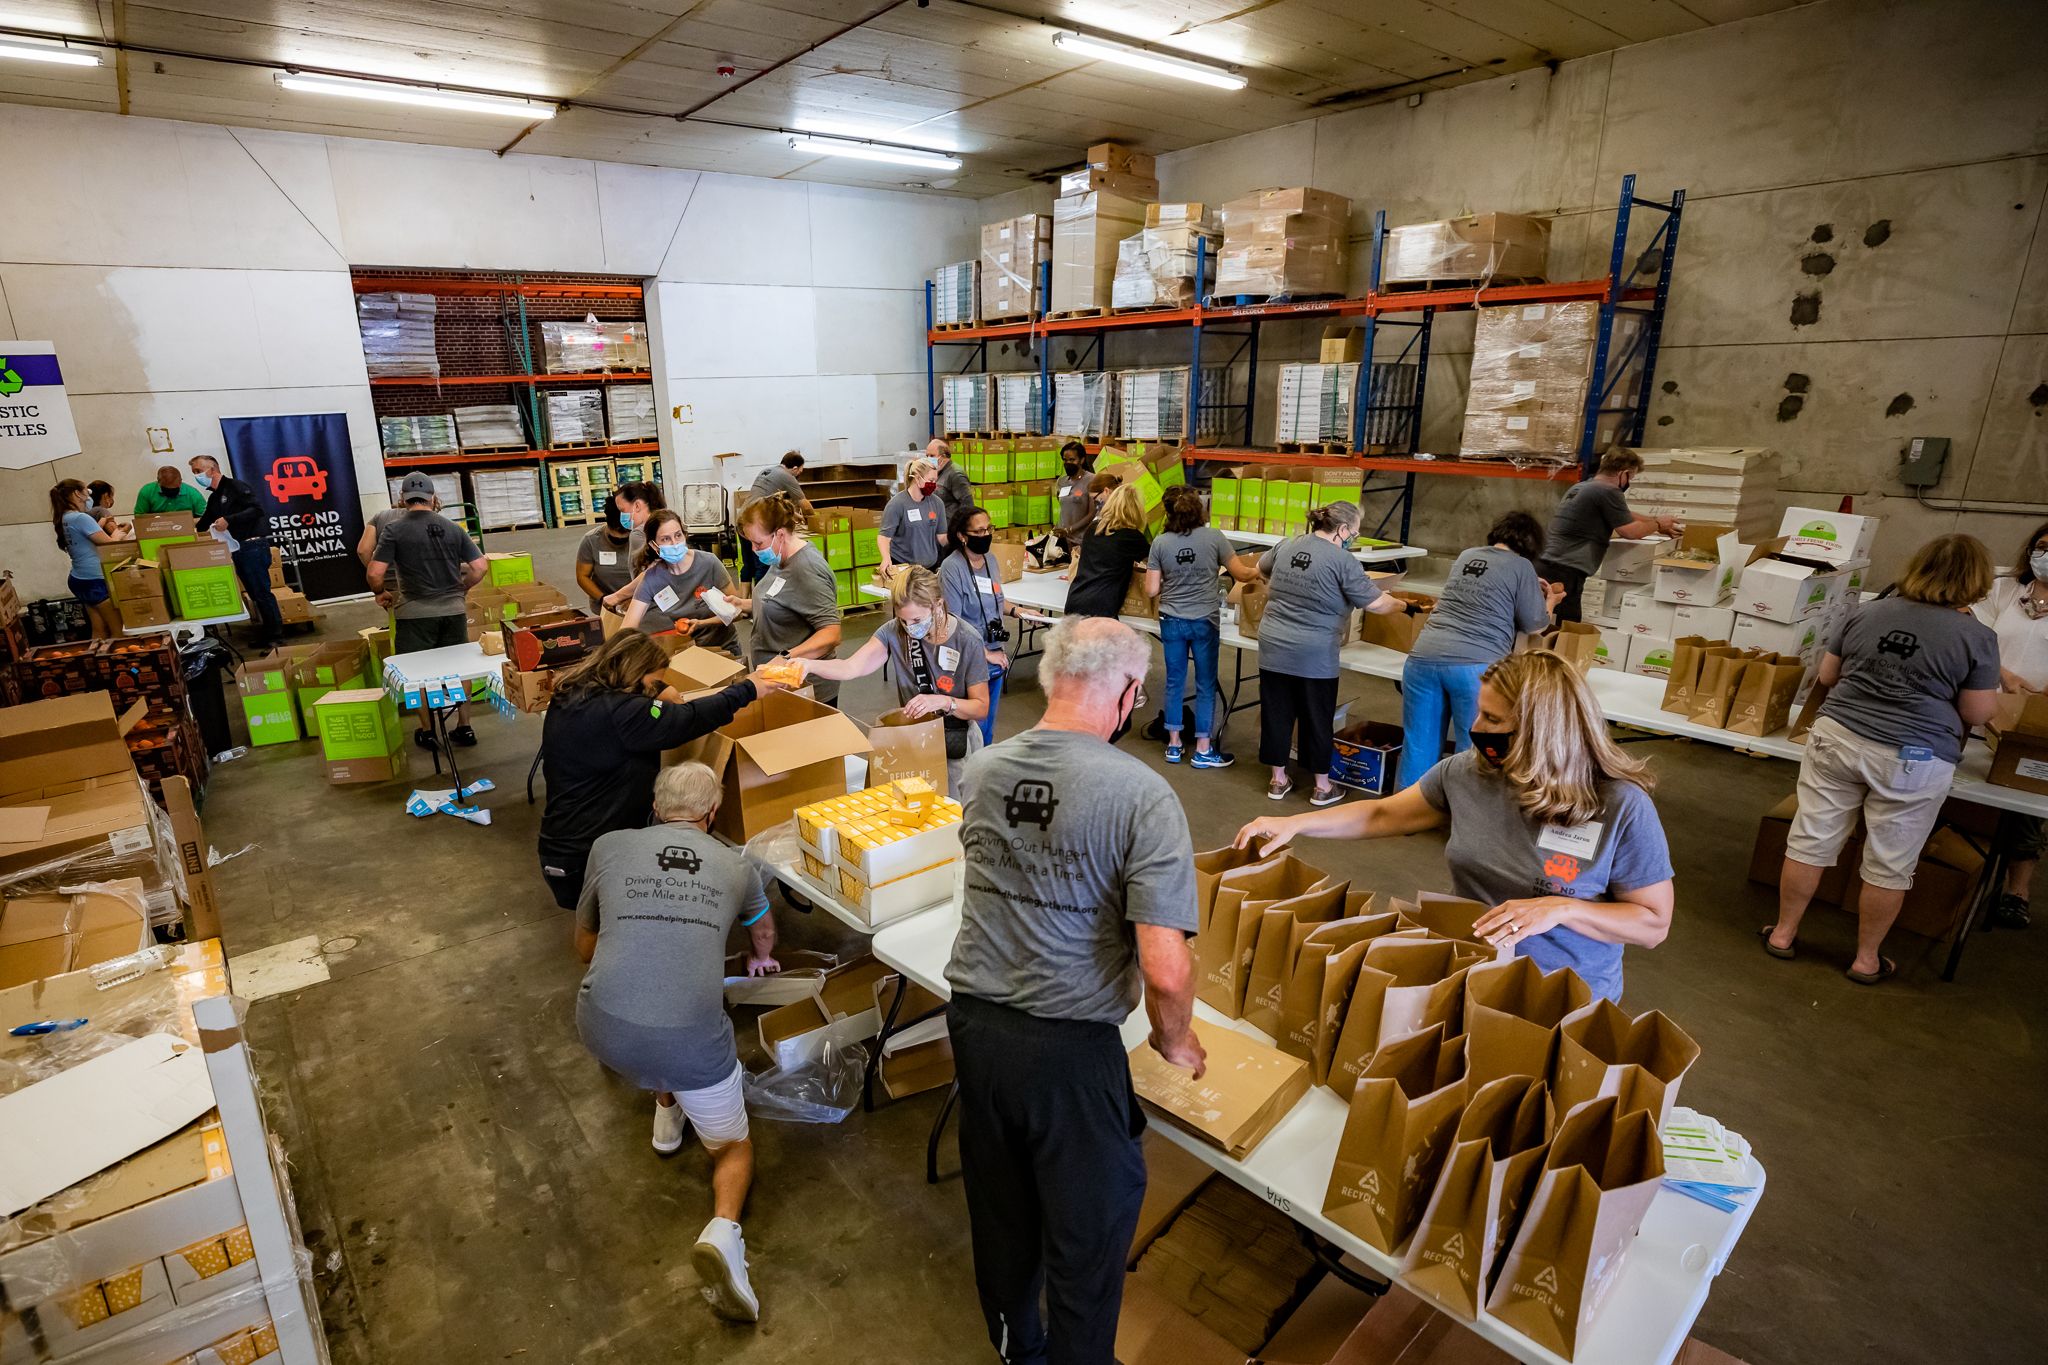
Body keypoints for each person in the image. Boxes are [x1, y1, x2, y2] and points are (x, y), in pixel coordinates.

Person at [945, 616, 1204, 1364]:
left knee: (1002, 1213)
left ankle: (1015, 1344)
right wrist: (1175, 1039)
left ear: (1052, 677)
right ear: (1128, 693)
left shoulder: (986, 767)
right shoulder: (1142, 795)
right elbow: (1164, 964)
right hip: (1068, 1051)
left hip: (975, 1028)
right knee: (1088, 1233)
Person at [1237, 650, 1674, 1002]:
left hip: (1563, 997)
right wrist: (1295, 823)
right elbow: (1382, 813)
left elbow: (1653, 924)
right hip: (1467, 969)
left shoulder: (1621, 806)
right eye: (1480, 713)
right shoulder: (1470, 772)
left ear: (1543, 731)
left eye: (1493, 720)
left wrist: (1564, 908)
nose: (1474, 728)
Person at [572, 761, 776, 1322]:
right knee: (734, 1146)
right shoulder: (739, 867)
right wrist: (760, 959)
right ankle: (724, 1232)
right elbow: (762, 930)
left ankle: (667, 1114)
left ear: (657, 807)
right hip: (688, 1045)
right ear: (711, 815)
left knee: (648, 1007)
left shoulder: (609, 846)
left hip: (600, 1028)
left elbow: (585, 949)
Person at [1763, 534, 2001, 983]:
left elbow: (1829, 675)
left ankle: (1783, 933)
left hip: (1837, 737)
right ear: (1977, 581)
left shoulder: (1867, 612)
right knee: (1890, 864)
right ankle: (1866, 959)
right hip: (1914, 758)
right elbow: (1977, 712)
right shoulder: (1977, 637)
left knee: (1810, 839)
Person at [539, 631, 773, 911]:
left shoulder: (573, 693)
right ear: (635, 672)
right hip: (587, 856)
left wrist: (656, 688)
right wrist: (746, 689)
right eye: (651, 681)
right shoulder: (624, 714)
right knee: (614, 932)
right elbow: (689, 719)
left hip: (563, 844)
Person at [1256, 501, 1410, 806]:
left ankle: (1277, 780)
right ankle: (1322, 787)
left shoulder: (1287, 545)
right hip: (1314, 653)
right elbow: (1376, 604)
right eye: (1355, 530)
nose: (1355, 535)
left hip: (1273, 644)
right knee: (1317, 716)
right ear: (1342, 530)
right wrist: (1403, 605)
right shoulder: (1343, 561)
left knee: (1276, 713)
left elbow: (1260, 570)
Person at [1398, 511, 1564, 788]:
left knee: (1418, 741)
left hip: (1423, 657)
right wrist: (1551, 602)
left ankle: (1407, 813)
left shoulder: (1466, 555)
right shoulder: (1521, 566)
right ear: (1532, 543)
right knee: (1473, 745)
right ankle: (1465, 815)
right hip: (1474, 666)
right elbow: (1535, 625)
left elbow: (1480, 588)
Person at [799, 567, 989, 793]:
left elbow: (980, 707)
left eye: (917, 619)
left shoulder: (967, 640)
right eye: (903, 620)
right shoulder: (893, 632)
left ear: (938, 605)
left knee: (954, 817)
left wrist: (943, 702)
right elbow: (851, 667)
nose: (910, 628)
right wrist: (808, 664)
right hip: (913, 738)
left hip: (956, 745)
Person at [367, 472, 490, 748]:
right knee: (460, 670)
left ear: (402, 499)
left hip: (414, 614)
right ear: (433, 498)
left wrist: (380, 593)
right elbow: (480, 566)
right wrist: (461, 589)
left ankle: (427, 731)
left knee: (416, 673)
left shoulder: (394, 530)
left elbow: (374, 572)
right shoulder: (453, 527)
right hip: (453, 611)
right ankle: (465, 726)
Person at [1145, 485, 1259, 766]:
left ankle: (1173, 745)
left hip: (1172, 619)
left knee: (1174, 681)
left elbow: (1150, 590)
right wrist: (1265, 568)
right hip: (1204, 620)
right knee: (1206, 683)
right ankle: (1203, 750)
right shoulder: (1214, 538)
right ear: (1200, 509)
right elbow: (1242, 574)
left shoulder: (1160, 543)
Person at [1974, 521, 2048, 928]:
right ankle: (1957, 866)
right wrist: (2001, 673)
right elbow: (1973, 633)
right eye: (2041, 546)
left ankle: (2016, 891)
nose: (2045, 555)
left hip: (2038, 723)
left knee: (2027, 804)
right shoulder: (2005, 589)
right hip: (1985, 705)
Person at [729, 493, 843, 704]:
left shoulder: (807, 569)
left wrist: (786, 657)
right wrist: (744, 604)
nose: (754, 550)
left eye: (758, 543)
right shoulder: (780, 558)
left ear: (779, 535)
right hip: (779, 682)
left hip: (806, 688)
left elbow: (831, 634)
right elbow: (783, 601)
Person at [1539, 449, 1677, 622]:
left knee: (1547, 620)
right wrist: (1658, 524)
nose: (1629, 483)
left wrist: (1654, 521)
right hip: (1566, 570)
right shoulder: (1609, 491)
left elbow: (1624, 514)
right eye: (1631, 477)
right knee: (1565, 627)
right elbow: (1629, 531)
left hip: (1549, 564)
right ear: (1623, 473)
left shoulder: (1582, 487)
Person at [941, 505, 1018, 745]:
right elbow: (953, 622)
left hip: (994, 653)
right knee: (974, 725)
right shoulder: (952, 568)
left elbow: (996, 598)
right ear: (963, 536)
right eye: (979, 531)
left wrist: (1017, 610)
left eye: (989, 529)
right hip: (970, 657)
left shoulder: (990, 560)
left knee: (988, 724)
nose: (986, 535)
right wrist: (985, 653)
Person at [190, 454, 284, 647]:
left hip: (252, 546)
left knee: (261, 592)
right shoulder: (215, 498)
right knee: (254, 593)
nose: (197, 476)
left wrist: (229, 520)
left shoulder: (236, 487)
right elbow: (203, 523)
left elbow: (257, 510)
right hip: (238, 549)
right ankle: (267, 633)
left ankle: (275, 637)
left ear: (212, 470)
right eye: (194, 473)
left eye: (198, 471)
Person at [617, 509, 738, 652]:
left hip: (724, 647)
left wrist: (702, 623)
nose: (675, 543)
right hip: (688, 651)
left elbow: (737, 610)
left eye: (678, 535)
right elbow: (627, 629)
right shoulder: (652, 579)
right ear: (654, 545)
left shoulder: (709, 563)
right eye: (665, 539)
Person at [49, 479, 122, 637]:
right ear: (77, 494)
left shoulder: (64, 518)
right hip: (95, 580)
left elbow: (83, 538)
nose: (89, 498)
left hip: (79, 578)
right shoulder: (80, 518)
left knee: (99, 630)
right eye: (86, 493)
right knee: (118, 631)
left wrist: (100, 525)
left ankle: (95, 660)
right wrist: (120, 532)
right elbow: (109, 545)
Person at [1065, 483, 1150, 619]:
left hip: (1076, 599)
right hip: (1102, 607)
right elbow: (1154, 563)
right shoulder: (1131, 537)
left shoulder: (1093, 529)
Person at [878, 458, 944, 574]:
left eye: (935, 481)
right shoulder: (897, 504)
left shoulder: (937, 503)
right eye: (931, 480)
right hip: (904, 568)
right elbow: (884, 537)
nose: (934, 485)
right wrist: (886, 558)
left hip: (930, 568)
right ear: (917, 478)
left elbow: (942, 536)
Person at [573, 501, 636, 613]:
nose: (619, 543)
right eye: (615, 539)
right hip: (605, 605)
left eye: (624, 539)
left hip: (637, 602)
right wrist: (605, 600)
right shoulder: (591, 541)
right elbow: (582, 576)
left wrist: (637, 599)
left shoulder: (641, 539)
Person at [928, 437, 975, 533]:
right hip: (938, 529)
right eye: (927, 455)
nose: (928, 459)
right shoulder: (937, 473)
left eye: (932, 455)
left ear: (943, 456)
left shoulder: (955, 474)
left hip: (950, 531)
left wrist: (957, 530)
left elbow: (967, 506)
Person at [748, 451, 813, 514]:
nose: (798, 475)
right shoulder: (787, 476)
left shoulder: (765, 471)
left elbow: (777, 505)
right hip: (756, 519)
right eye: (800, 472)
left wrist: (797, 516)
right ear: (795, 469)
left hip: (744, 516)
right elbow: (806, 507)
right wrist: (816, 518)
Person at [133, 465, 206, 518]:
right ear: (158, 482)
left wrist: (187, 522)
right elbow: (139, 517)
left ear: (180, 481)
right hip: (156, 529)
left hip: (186, 529)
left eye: (174, 488)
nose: (171, 492)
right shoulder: (147, 491)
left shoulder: (193, 494)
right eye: (167, 489)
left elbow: (206, 516)